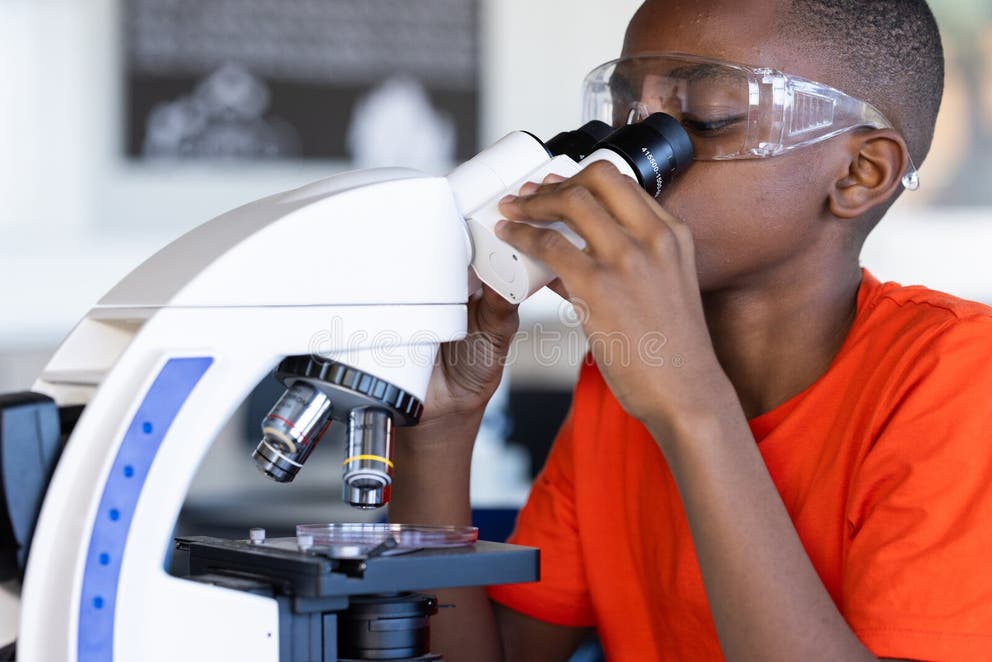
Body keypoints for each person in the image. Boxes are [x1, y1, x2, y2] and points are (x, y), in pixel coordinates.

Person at [390, 1, 992, 660]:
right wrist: (436, 435)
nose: (624, 160)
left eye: (705, 120)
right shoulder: (621, 381)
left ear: (858, 173)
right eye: (625, 117)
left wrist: (691, 407)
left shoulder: (958, 379)